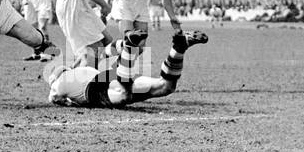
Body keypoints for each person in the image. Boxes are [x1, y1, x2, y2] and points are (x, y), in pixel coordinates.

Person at [47, 28, 208, 108]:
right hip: (105, 76)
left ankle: (130, 49)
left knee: (124, 94)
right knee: (165, 87)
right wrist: (121, 44)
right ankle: (179, 48)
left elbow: (54, 99)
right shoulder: (83, 65)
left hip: (94, 90)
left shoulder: (57, 84)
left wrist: (69, 102)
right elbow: (107, 50)